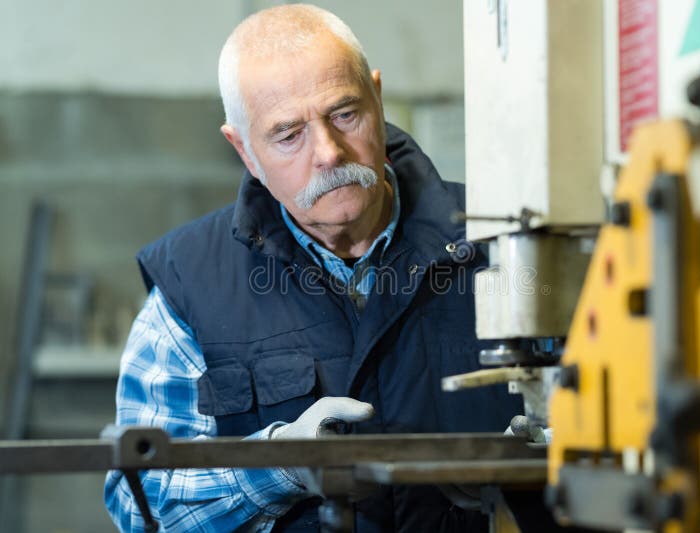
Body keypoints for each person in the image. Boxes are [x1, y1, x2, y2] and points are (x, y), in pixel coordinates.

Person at [104, 4, 521, 532]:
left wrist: (526, 472)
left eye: (345, 114)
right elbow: (141, 504)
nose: (328, 152)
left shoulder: (507, 240)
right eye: (288, 135)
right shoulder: (188, 283)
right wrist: (279, 465)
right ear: (244, 150)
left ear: (376, 97)